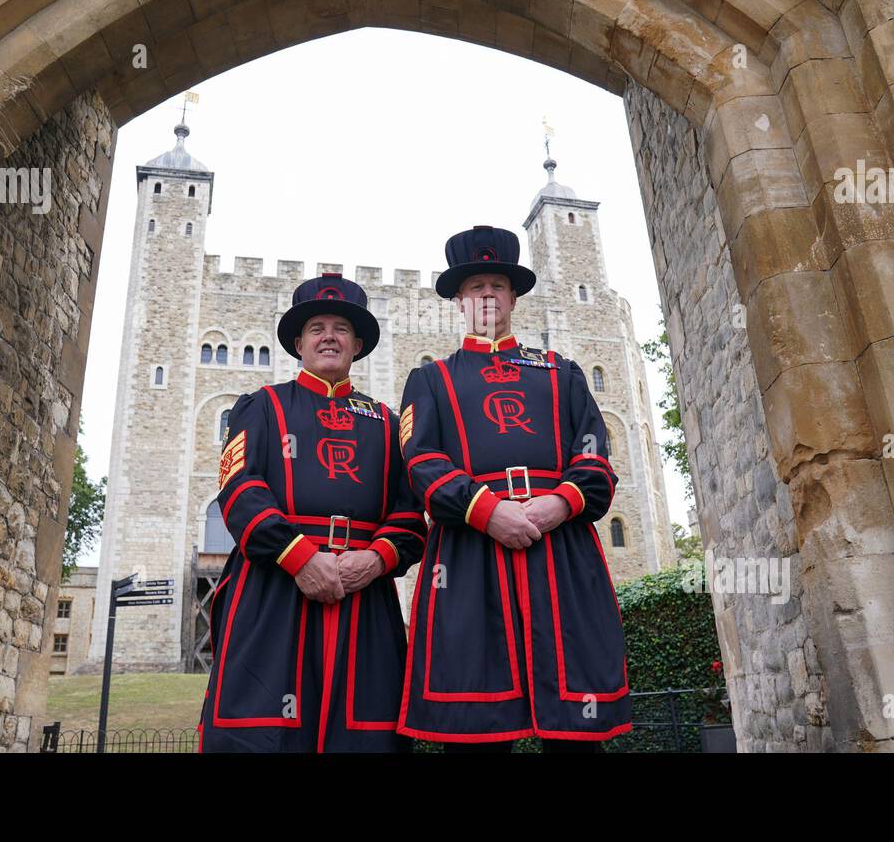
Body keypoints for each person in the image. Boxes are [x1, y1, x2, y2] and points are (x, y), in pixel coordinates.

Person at [395, 226, 630, 751]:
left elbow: (594, 457)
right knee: (478, 729)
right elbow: (422, 464)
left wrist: (555, 505)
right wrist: (487, 511)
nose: (485, 295)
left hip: (562, 547)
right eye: (474, 286)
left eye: (496, 286)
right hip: (468, 555)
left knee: (577, 726)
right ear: (458, 300)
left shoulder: (562, 373)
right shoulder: (430, 380)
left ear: (513, 296)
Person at [198, 272, 425, 752]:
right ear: (298, 342)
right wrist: (299, 557)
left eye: (340, 328)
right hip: (273, 590)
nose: (328, 336)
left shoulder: (386, 421)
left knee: (368, 737)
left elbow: (409, 517)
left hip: (365, 598)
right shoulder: (261, 406)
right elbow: (238, 489)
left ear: (357, 343)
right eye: (317, 327)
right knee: (264, 736)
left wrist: (376, 559)